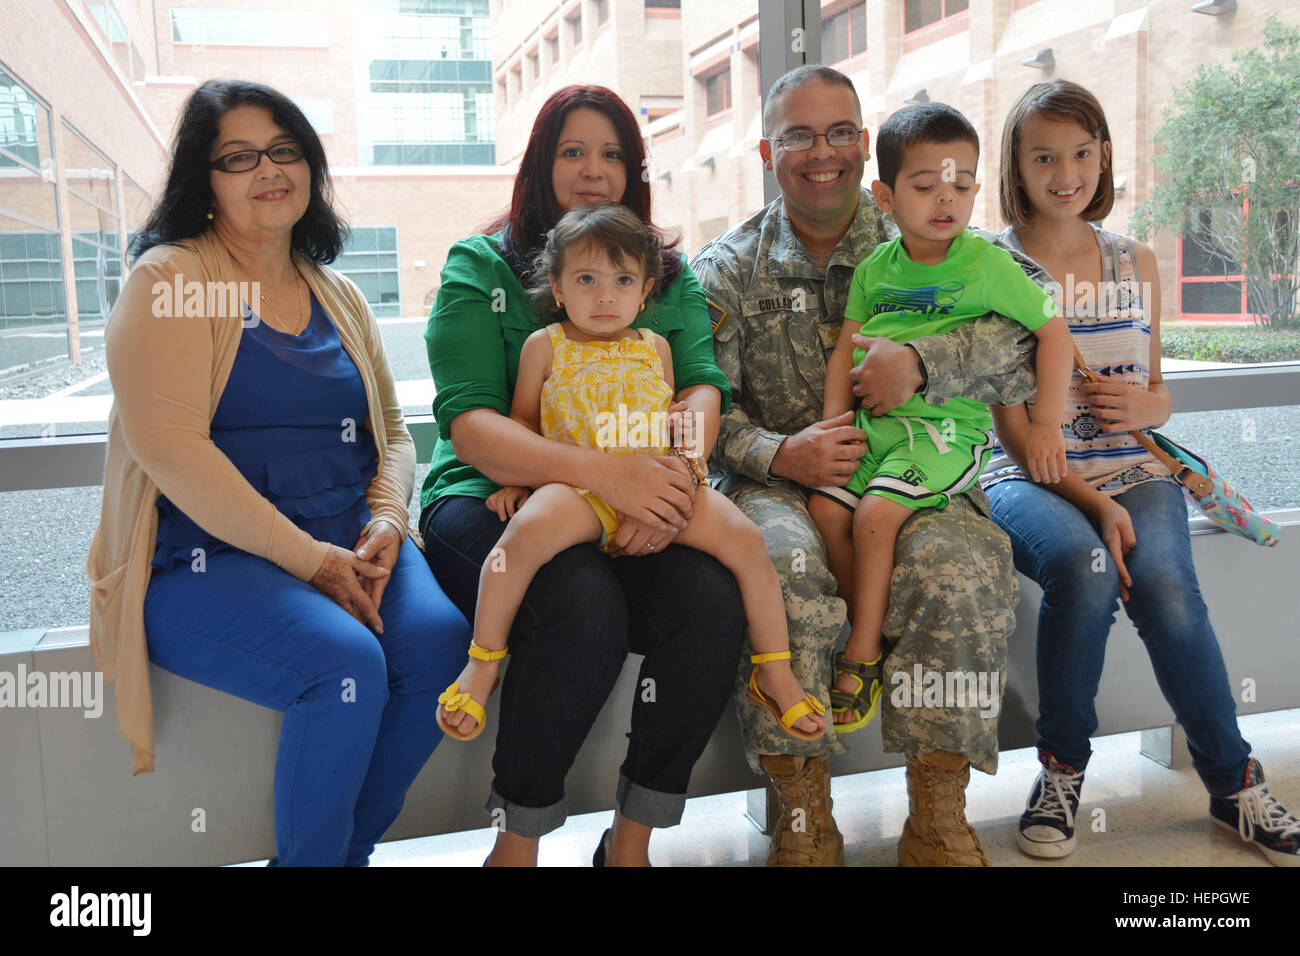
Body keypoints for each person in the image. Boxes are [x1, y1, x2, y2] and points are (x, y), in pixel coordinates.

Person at [85, 80, 469, 866]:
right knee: (346, 663)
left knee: (438, 643)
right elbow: (173, 452)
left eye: (285, 149)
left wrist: (389, 520)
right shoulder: (169, 282)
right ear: (206, 178)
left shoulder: (341, 295)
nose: (268, 168)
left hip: (349, 543)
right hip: (206, 559)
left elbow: (393, 433)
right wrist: (313, 562)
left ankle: (340, 854)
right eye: (239, 156)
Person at [692, 64, 1041, 867]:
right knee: (780, 565)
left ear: (865, 145)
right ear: (765, 150)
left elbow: (1031, 341)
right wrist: (783, 451)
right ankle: (803, 813)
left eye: (841, 131)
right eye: (799, 135)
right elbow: (699, 409)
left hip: (917, 462)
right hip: (774, 484)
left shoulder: (932, 234)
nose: (824, 153)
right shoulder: (726, 270)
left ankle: (937, 812)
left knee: (960, 561)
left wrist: (922, 361)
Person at [419, 85, 745, 867]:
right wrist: (607, 474)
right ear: (541, 163)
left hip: (638, 493)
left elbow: (700, 385)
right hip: (490, 499)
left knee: (710, 604)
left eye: (612, 154)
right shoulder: (480, 264)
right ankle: (518, 844)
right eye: (573, 151)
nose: (594, 170)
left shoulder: (663, 271)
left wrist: (671, 484)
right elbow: (471, 423)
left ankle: (629, 845)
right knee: (580, 604)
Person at [982, 79, 1300, 867]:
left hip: (1136, 466)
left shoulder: (1136, 260)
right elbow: (1012, 431)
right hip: (1029, 474)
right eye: (1045, 156)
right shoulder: (988, 264)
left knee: (1163, 584)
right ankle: (1061, 773)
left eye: (1082, 153)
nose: (1066, 173)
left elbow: (1158, 394)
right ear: (1016, 166)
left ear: (1105, 157)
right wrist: (1092, 502)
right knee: (1086, 569)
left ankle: (1233, 785)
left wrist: (1143, 407)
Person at [435, 203, 824, 744]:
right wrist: (516, 484)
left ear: (645, 292)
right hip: (576, 490)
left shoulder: (657, 348)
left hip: (655, 487)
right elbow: (523, 422)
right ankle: (482, 663)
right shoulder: (544, 346)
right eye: (586, 279)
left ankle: (775, 668)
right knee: (518, 541)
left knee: (747, 541)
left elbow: (680, 420)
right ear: (557, 285)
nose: (604, 295)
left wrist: (687, 473)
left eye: (623, 281)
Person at [811, 103, 1072, 735]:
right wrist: (829, 428)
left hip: (943, 434)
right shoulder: (875, 267)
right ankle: (868, 619)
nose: (945, 200)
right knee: (824, 508)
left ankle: (864, 650)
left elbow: (1055, 335)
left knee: (875, 515)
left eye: (961, 185)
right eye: (925, 186)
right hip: (874, 428)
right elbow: (846, 347)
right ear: (885, 195)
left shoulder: (987, 265)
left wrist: (1046, 425)